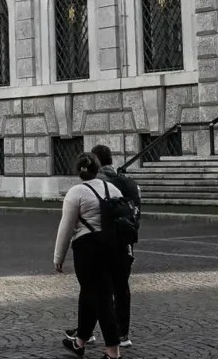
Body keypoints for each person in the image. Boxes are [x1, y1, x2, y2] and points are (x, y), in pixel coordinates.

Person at [52, 153, 129, 358]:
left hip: (88, 249)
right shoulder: (112, 188)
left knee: (101, 298)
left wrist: (58, 257)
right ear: (98, 168)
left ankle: (113, 352)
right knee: (90, 295)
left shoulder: (76, 192)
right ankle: (79, 342)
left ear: (78, 171)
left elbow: (66, 227)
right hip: (114, 247)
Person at [67, 146, 140, 351]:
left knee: (99, 294)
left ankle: (105, 343)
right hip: (124, 242)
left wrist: (59, 255)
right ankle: (113, 334)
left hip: (99, 246)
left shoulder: (102, 186)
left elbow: (70, 225)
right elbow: (134, 212)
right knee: (119, 289)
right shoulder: (128, 182)